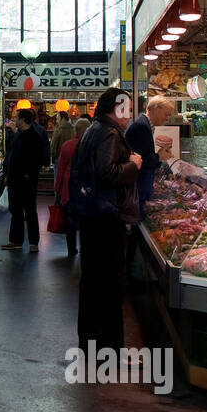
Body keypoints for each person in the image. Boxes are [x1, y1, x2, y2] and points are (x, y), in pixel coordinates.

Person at [68, 88, 141, 351]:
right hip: (106, 217)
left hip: (91, 216)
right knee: (110, 283)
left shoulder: (93, 129)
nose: (130, 116)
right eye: (128, 109)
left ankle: (90, 343)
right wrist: (134, 165)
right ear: (117, 108)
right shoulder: (109, 133)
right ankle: (109, 348)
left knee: (92, 281)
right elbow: (107, 173)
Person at [3, 108, 46, 252]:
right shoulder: (19, 135)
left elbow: (39, 158)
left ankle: (33, 242)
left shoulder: (34, 136)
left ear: (23, 119)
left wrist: (28, 173)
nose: (14, 118)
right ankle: (16, 240)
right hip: (15, 179)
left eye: (16, 116)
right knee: (15, 210)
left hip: (26, 180)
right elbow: (12, 155)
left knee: (29, 210)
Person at [124, 95, 174, 216]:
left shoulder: (144, 125)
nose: (167, 118)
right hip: (138, 189)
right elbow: (140, 160)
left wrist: (158, 157)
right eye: (166, 114)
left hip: (140, 188)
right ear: (156, 108)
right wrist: (158, 157)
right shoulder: (141, 127)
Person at [53, 116, 90, 258]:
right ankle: (84, 248)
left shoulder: (67, 146)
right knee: (85, 219)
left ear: (76, 129)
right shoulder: (91, 145)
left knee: (70, 220)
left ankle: (71, 248)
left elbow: (61, 170)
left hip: (68, 187)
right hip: (85, 188)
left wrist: (57, 190)